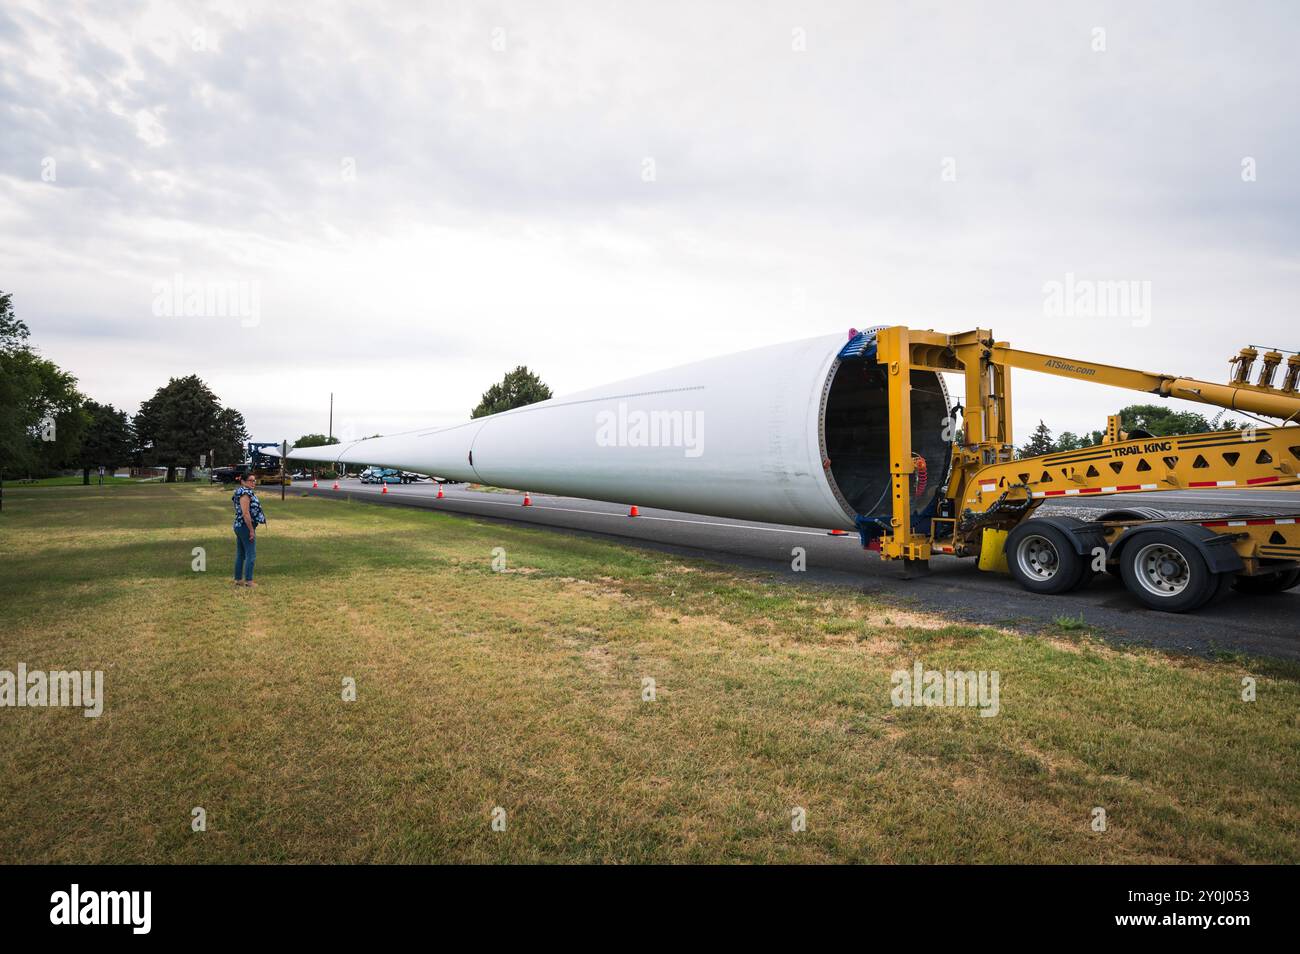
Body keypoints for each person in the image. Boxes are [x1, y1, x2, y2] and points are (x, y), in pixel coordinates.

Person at [232, 472, 267, 587]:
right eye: (250, 480)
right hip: (245, 526)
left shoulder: (243, 492)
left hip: (240, 526)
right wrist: (251, 530)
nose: (253, 482)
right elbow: (246, 513)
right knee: (250, 554)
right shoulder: (245, 493)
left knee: (241, 554)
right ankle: (249, 581)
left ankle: (238, 580)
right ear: (243, 481)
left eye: (254, 480)